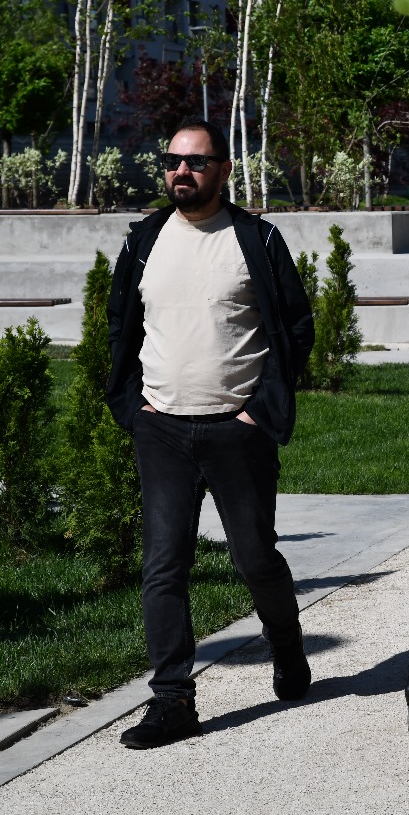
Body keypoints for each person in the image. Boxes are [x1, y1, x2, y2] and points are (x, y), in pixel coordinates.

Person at [107, 117, 315, 749]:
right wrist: (133, 407)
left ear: (223, 169)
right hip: (162, 428)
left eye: (196, 162)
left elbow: (295, 330)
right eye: (173, 160)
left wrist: (259, 410)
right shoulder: (145, 238)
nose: (182, 171)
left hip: (236, 429)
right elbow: (121, 324)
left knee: (255, 559)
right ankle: (173, 699)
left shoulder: (255, 238)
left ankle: (285, 643)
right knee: (164, 563)